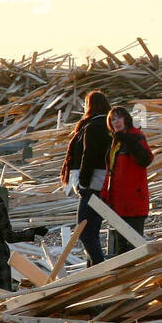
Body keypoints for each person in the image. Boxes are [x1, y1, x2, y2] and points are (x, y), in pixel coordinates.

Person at [61, 90, 112, 266]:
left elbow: (88, 156)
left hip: (92, 184)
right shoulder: (108, 125)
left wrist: (82, 182)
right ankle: (93, 268)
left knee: (85, 231)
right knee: (93, 229)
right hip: (104, 182)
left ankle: (99, 266)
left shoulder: (92, 126)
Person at [100, 105, 154, 256]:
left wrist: (129, 141)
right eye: (112, 119)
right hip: (118, 201)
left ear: (126, 119)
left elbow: (146, 160)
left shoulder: (136, 136)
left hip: (134, 200)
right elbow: (110, 171)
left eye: (118, 117)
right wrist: (104, 194)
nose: (115, 122)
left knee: (136, 246)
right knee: (119, 248)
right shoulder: (115, 142)